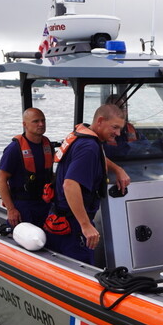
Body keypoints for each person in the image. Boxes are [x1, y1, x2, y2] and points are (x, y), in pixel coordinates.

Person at [45, 103, 131, 264]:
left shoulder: (83, 137)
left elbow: (96, 157)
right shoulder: (89, 147)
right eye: (114, 127)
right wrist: (85, 225)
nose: (118, 133)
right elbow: (70, 185)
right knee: (79, 270)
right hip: (73, 227)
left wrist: (117, 169)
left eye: (120, 129)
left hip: (59, 219)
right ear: (100, 121)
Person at [0, 107, 54, 228]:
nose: (41, 124)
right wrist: (11, 209)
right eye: (36, 121)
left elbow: (50, 174)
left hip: (45, 204)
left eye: (43, 120)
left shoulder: (48, 145)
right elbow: (1, 179)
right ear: (25, 124)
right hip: (23, 205)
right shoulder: (14, 149)